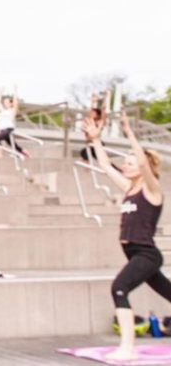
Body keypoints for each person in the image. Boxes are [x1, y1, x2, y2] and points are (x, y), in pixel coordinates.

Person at [87, 112, 169, 362]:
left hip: (146, 254)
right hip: (134, 253)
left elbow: (144, 166)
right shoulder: (128, 189)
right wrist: (95, 140)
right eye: (126, 162)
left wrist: (130, 134)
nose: (126, 165)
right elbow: (103, 165)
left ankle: (127, 347)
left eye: (131, 162)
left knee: (119, 288)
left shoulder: (152, 190)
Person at [0, 85, 28, 156]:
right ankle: (26, 153)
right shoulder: (3, 111)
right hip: (2, 130)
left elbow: (16, 102)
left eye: (7, 102)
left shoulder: (12, 111)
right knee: (14, 145)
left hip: (8, 129)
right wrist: (0, 92)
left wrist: (15, 91)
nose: (5, 104)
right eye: (4, 102)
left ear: (10, 103)